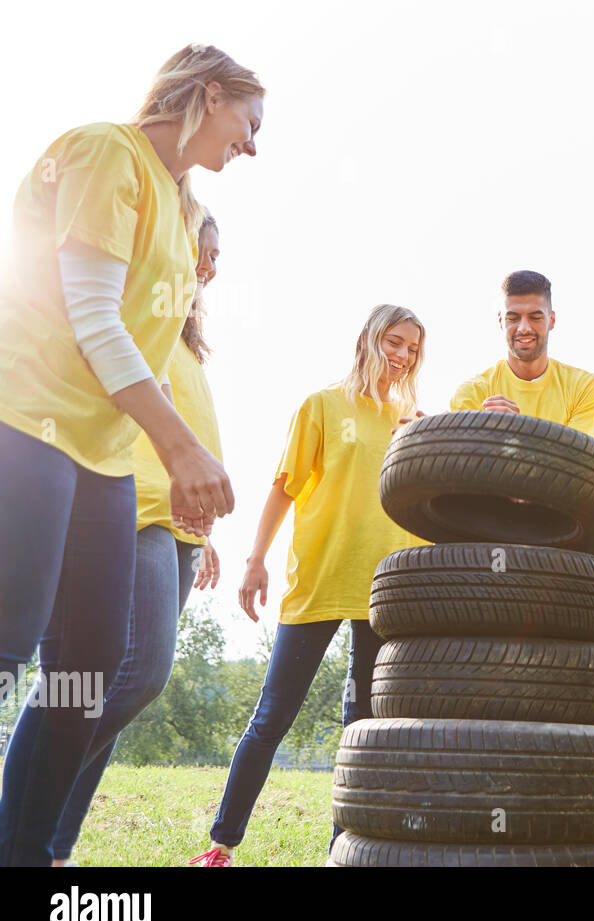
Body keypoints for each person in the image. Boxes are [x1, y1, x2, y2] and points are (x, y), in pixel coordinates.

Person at [0, 44, 263, 867]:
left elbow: (155, 352)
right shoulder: (106, 151)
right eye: (249, 123)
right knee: (9, 648)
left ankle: (27, 851)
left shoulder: (184, 213)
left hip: (104, 462)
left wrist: (169, 460)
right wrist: (179, 447)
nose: (252, 145)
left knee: (85, 672)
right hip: (28, 422)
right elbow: (92, 315)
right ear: (210, 94)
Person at [189, 304, 426, 867]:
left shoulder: (411, 416)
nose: (402, 356)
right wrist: (255, 559)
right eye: (394, 342)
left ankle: (344, 847)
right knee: (272, 716)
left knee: (362, 726)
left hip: (384, 589)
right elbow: (284, 487)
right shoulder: (321, 405)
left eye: (413, 349)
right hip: (319, 579)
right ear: (369, 340)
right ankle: (222, 843)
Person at [50, 211, 226, 866]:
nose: (209, 264)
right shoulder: (132, 316)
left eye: (216, 255)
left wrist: (205, 532)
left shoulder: (188, 343)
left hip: (181, 521)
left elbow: (194, 435)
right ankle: (28, 805)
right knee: (138, 673)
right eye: (202, 249)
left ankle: (50, 845)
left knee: (121, 691)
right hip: (134, 506)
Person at [450, 270, 594, 433]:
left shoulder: (584, 388)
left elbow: (576, 457)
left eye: (535, 317)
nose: (524, 328)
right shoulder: (473, 393)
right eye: (513, 318)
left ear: (551, 321)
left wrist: (517, 430)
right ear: (501, 322)